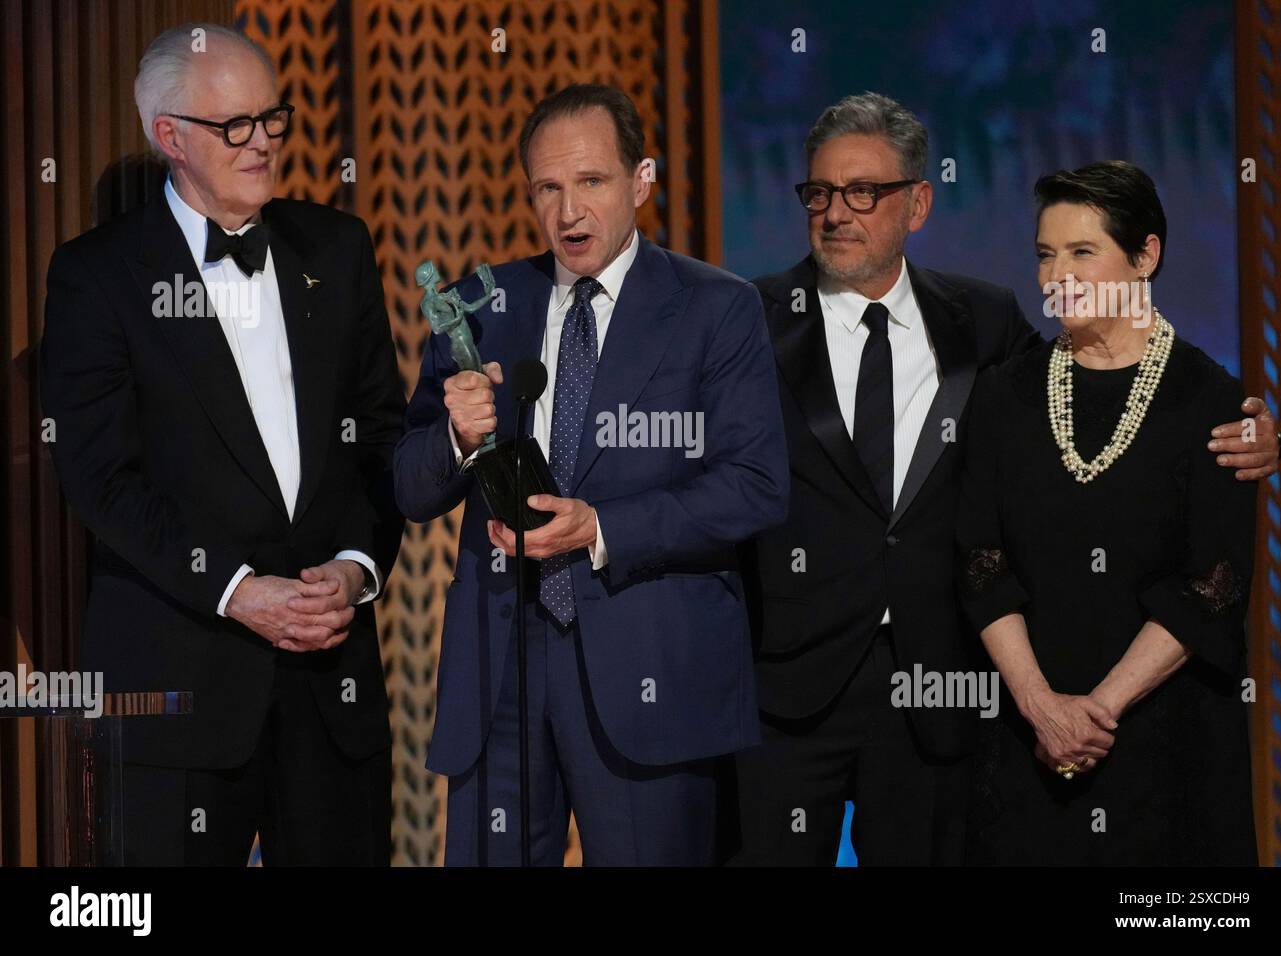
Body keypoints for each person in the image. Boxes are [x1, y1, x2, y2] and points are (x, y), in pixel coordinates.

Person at [731, 92, 1278, 865]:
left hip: (939, 693)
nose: (835, 212)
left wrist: (1264, 434)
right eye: (819, 193)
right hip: (789, 689)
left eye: (863, 192)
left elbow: (1116, 385)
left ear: (918, 203)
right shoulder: (745, 318)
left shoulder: (979, 323)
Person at [393, 83, 788, 866]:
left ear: (642, 180)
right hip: (499, 671)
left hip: (648, 669)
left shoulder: (717, 308)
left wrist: (603, 528)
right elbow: (410, 488)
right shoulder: (483, 303)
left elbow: (756, 483)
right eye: (548, 187)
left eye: (591, 182)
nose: (568, 210)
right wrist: (455, 435)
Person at [40, 23, 405, 865]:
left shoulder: (337, 249)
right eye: (235, 126)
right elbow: (102, 481)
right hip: (179, 698)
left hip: (331, 685)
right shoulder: (96, 276)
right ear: (169, 137)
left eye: (273, 118)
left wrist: (355, 566)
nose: (264, 143)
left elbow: (380, 435)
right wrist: (239, 591)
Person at [955, 161, 1257, 865]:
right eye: (1045, 254)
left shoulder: (1211, 401)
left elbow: (1213, 582)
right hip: (1029, 738)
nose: (1055, 275)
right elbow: (979, 558)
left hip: (1166, 740)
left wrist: (1096, 714)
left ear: (1145, 255)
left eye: (1082, 252)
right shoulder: (1005, 395)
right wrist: (1042, 707)